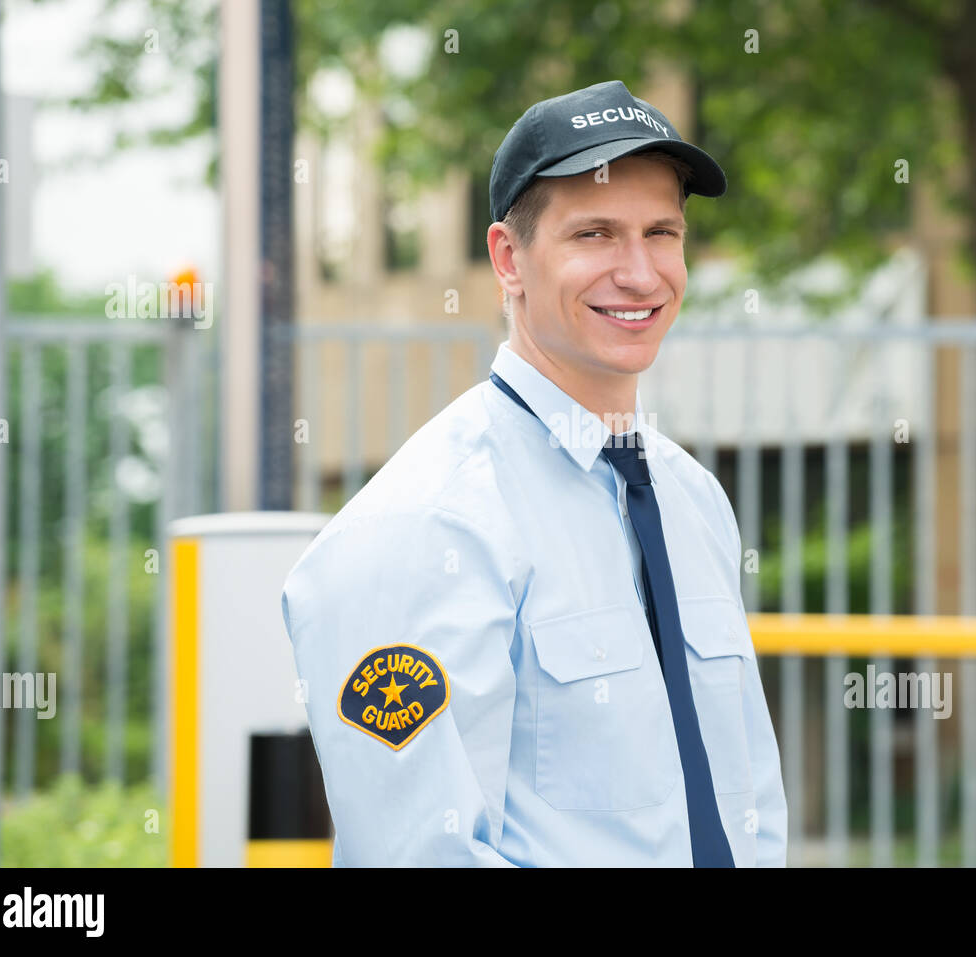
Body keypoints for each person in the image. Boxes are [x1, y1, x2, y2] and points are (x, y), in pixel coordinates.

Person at [281, 79, 787, 866]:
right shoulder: (425, 525)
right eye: (595, 235)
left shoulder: (690, 499)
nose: (641, 272)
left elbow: (745, 799)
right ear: (508, 257)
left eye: (662, 232)